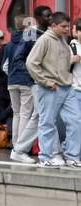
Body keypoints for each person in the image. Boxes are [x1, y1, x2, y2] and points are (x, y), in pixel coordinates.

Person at [25, 11, 81, 168]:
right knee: (47, 122)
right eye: (63, 26)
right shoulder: (44, 40)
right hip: (51, 87)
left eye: (68, 26)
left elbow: (59, 62)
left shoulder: (61, 40)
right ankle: (46, 156)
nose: (67, 29)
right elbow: (31, 62)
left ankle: (72, 156)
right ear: (53, 25)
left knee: (76, 120)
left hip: (65, 86)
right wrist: (44, 81)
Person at [7, 15, 41, 164]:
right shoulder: (28, 38)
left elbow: (6, 64)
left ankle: (16, 143)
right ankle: (21, 147)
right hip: (25, 80)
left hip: (11, 80)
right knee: (26, 114)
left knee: (17, 114)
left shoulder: (10, 42)